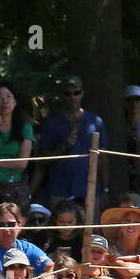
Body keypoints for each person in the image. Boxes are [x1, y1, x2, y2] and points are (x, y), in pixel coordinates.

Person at [35, 75, 107, 204]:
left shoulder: (96, 122)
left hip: (89, 191)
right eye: (68, 94)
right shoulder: (51, 122)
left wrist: (106, 189)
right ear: (63, 96)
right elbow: (42, 160)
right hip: (59, 191)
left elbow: (103, 159)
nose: (72, 97)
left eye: (76, 93)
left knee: (91, 224)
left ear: (82, 93)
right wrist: (63, 146)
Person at [0, 81, 35, 211]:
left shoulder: (25, 127)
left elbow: (22, 163)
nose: (4, 100)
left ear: (15, 101)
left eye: (8, 96)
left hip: (14, 189)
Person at [0, 203, 52, 275]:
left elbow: (50, 267)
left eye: (11, 224)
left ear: (20, 225)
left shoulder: (27, 248)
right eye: (1, 225)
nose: (6, 229)